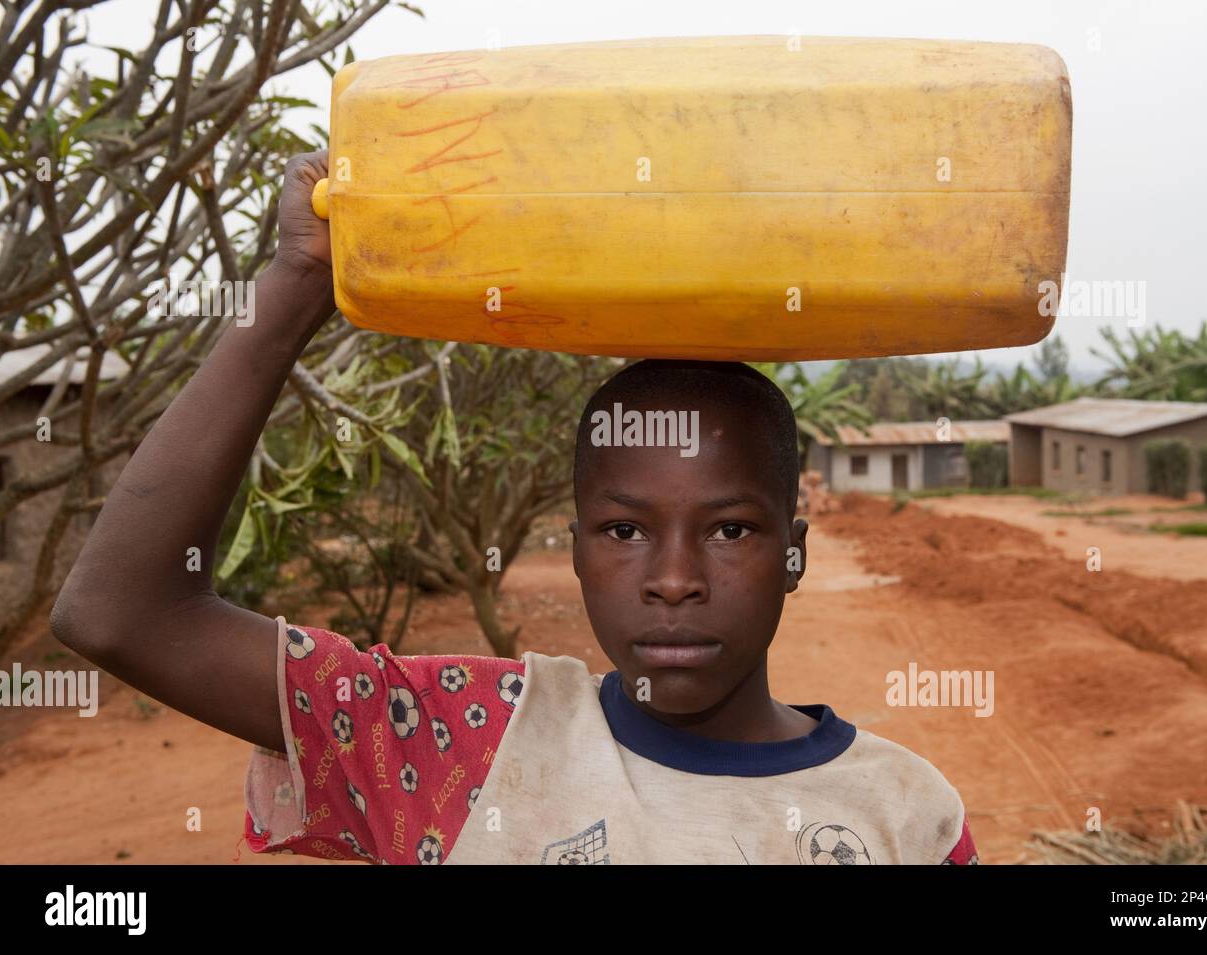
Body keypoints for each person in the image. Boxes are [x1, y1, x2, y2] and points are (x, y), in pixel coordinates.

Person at [52, 150, 979, 866]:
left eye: (730, 529)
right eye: (624, 530)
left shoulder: (907, 812)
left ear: (795, 551)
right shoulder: (468, 738)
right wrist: (297, 284)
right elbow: (120, 611)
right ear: (574, 549)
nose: (673, 580)